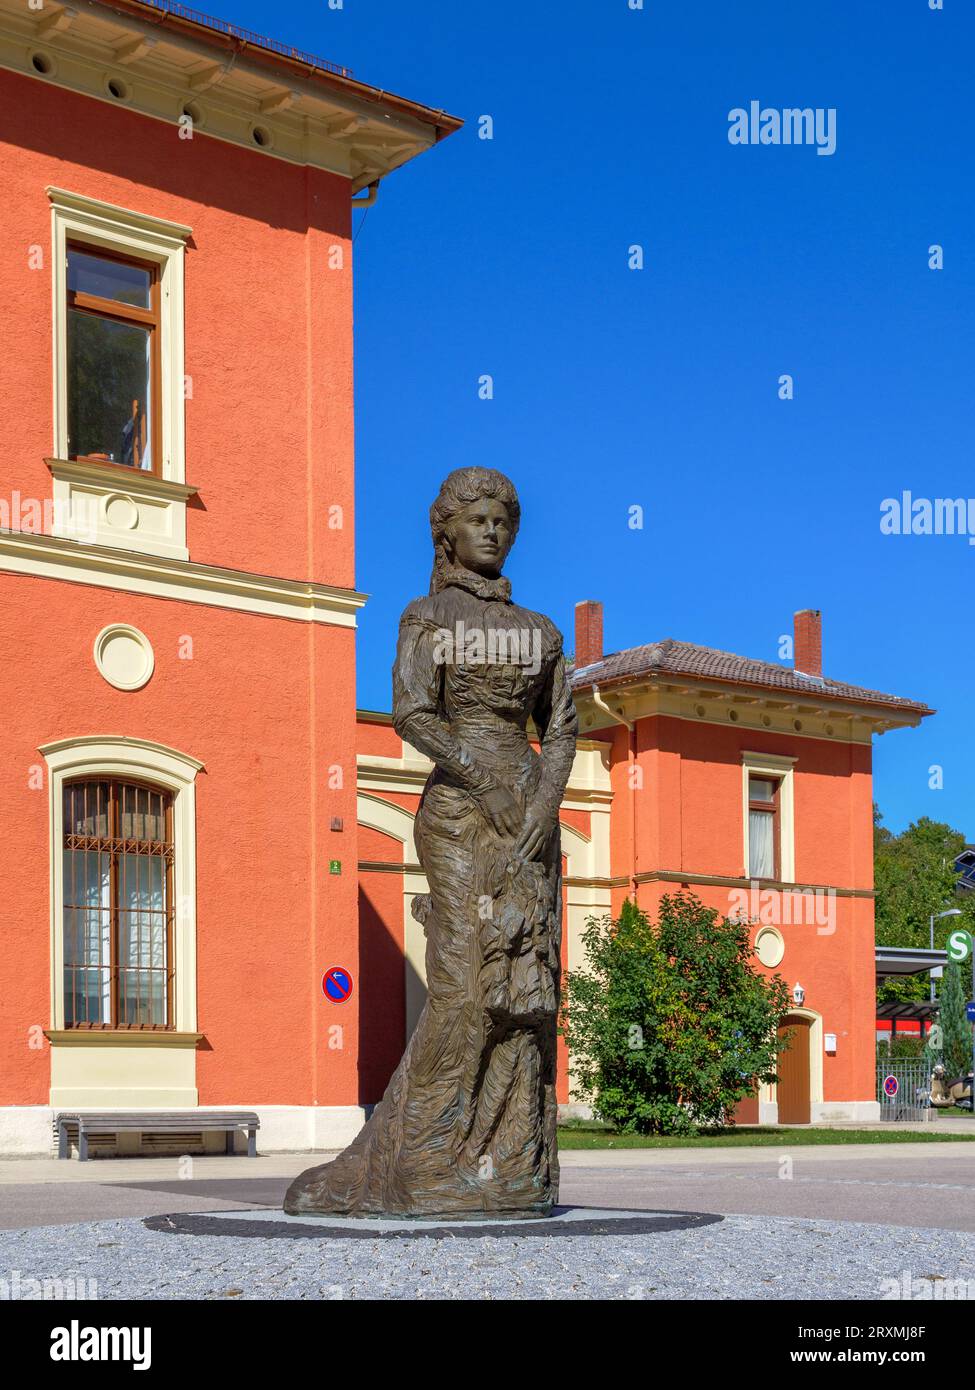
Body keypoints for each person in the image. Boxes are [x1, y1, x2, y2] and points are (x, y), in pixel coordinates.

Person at [285, 467, 578, 1218]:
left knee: (525, 992)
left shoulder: (542, 631)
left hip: (530, 819)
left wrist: (544, 804)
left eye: (503, 521)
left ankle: (512, 1162)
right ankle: (422, 1157)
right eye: (477, 519)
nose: (493, 531)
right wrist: (483, 777)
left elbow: (561, 728)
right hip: (458, 813)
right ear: (446, 531)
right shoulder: (426, 616)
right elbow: (412, 712)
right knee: (464, 985)